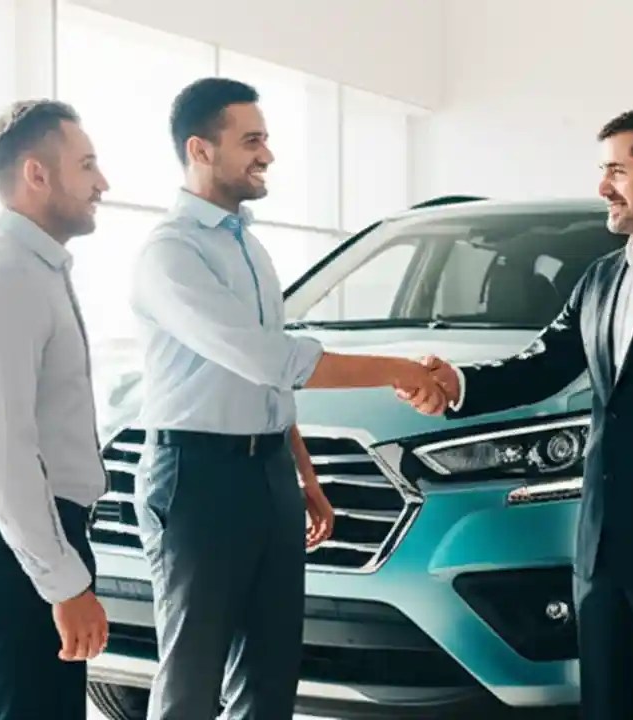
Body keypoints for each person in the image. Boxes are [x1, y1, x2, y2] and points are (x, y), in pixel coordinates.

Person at [404, 107, 633, 720]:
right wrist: (457, 384)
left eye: (616, 171)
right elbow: (543, 362)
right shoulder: (601, 278)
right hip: (600, 549)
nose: (602, 187)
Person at [130, 77, 445, 720]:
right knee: (192, 676)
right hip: (197, 477)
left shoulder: (251, 249)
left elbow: (267, 380)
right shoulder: (170, 254)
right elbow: (267, 358)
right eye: (251, 140)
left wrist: (303, 474)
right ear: (200, 149)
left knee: (271, 675)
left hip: (266, 471)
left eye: (266, 139)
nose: (267, 154)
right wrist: (397, 371)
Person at [0, 99, 111, 719]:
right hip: (10, 551)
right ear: (37, 174)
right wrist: (62, 583)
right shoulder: (5, 278)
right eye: (86, 165)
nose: (102, 183)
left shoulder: (33, 270)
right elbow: (3, 452)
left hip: (29, 541)